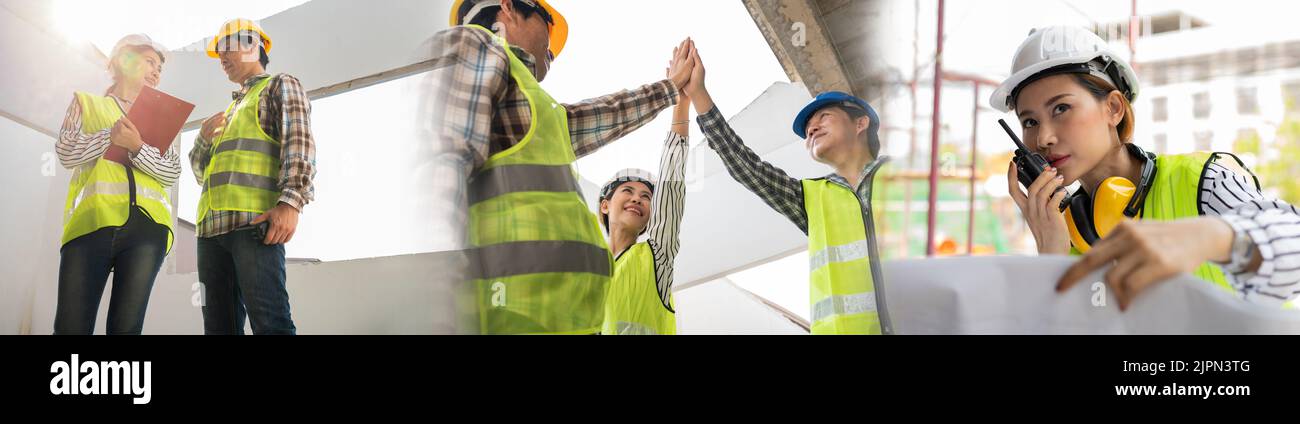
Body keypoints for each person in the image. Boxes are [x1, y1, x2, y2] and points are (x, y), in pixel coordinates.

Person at [432, 0, 697, 334]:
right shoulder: (474, 50)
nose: (550, 52)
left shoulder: (532, 107)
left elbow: (599, 116)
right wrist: (438, 307)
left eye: (645, 195)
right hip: (507, 316)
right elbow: (441, 172)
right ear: (510, 7)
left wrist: (671, 90)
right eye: (548, 25)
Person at [993, 26, 1300, 309]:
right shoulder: (1066, 229)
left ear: (1113, 108)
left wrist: (1213, 237)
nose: (1043, 138)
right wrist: (1051, 257)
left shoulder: (1201, 179)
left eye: (1061, 108)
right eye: (1030, 122)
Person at [684, 43, 894, 335]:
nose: (811, 128)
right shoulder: (811, 197)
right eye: (808, 127)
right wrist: (698, 94)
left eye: (824, 117)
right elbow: (744, 165)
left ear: (860, 122)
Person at [190, 18, 316, 334]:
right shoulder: (229, 112)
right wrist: (204, 139)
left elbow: (298, 143)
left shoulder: (279, 85)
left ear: (252, 45)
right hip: (210, 232)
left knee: (270, 323)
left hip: (253, 224)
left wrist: (291, 203)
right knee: (219, 328)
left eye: (227, 49)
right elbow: (199, 173)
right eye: (219, 53)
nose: (221, 59)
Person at [54, 34, 178, 335]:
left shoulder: (164, 117)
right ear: (125, 60)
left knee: (126, 329)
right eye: (150, 61)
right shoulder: (87, 104)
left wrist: (136, 147)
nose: (156, 71)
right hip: (91, 224)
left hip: (148, 230)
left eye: (160, 68)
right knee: (70, 327)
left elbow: (171, 171)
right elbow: (66, 152)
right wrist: (108, 137)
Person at [597, 78, 693, 335]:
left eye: (646, 197)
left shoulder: (656, 256)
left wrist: (681, 103)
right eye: (628, 191)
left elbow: (671, 188)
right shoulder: (587, 273)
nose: (637, 199)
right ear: (605, 206)